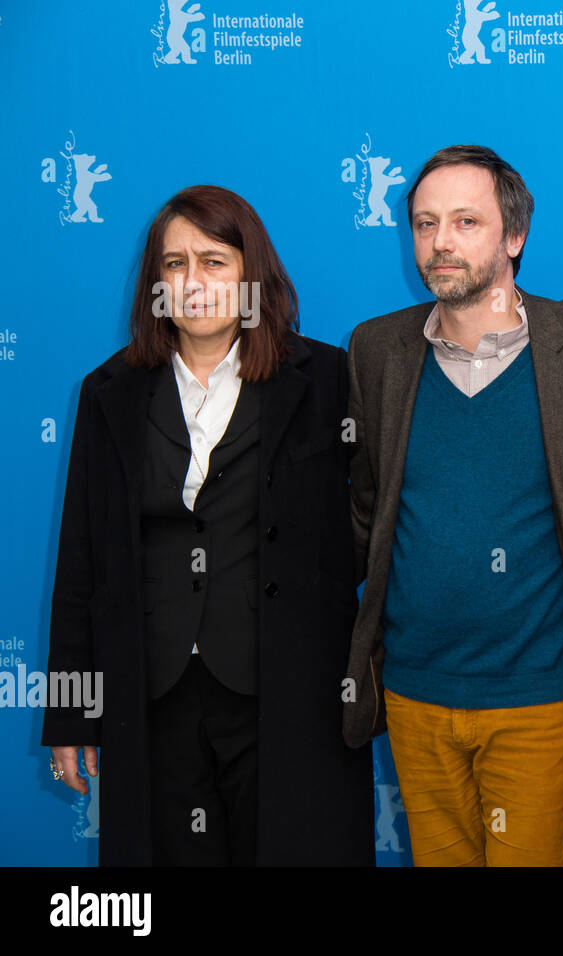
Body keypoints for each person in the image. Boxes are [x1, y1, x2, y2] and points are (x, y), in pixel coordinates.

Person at [43, 185, 374, 865]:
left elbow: (372, 520)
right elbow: (83, 561)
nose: (192, 283)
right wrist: (72, 710)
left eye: (214, 262)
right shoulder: (107, 393)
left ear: (252, 273)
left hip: (290, 695)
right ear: (154, 283)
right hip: (154, 696)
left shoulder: (327, 380)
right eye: (174, 264)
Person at [342, 145, 563, 866]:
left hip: (538, 694)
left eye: (465, 222)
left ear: (514, 236)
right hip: (414, 693)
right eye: (424, 224)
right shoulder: (377, 351)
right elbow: (363, 506)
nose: (441, 242)